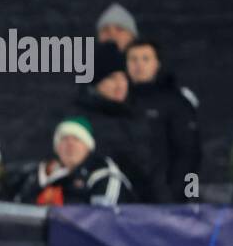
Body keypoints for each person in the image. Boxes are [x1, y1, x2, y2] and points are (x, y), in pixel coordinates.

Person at [67, 43, 162, 202]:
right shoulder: (80, 121)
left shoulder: (138, 115)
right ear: (96, 83)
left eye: (123, 78)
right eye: (111, 78)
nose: (119, 85)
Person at [124, 39, 201, 202]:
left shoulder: (176, 102)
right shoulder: (117, 101)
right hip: (124, 201)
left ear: (157, 64)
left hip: (165, 200)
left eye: (145, 59)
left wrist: (184, 196)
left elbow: (190, 154)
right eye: (133, 59)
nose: (139, 65)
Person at [10, 116, 132, 206]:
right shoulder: (41, 177)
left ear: (88, 147)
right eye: (64, 139)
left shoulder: (104, 174)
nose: (70, 144)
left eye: (76, 139)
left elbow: (104, 220)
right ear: (57, 148)